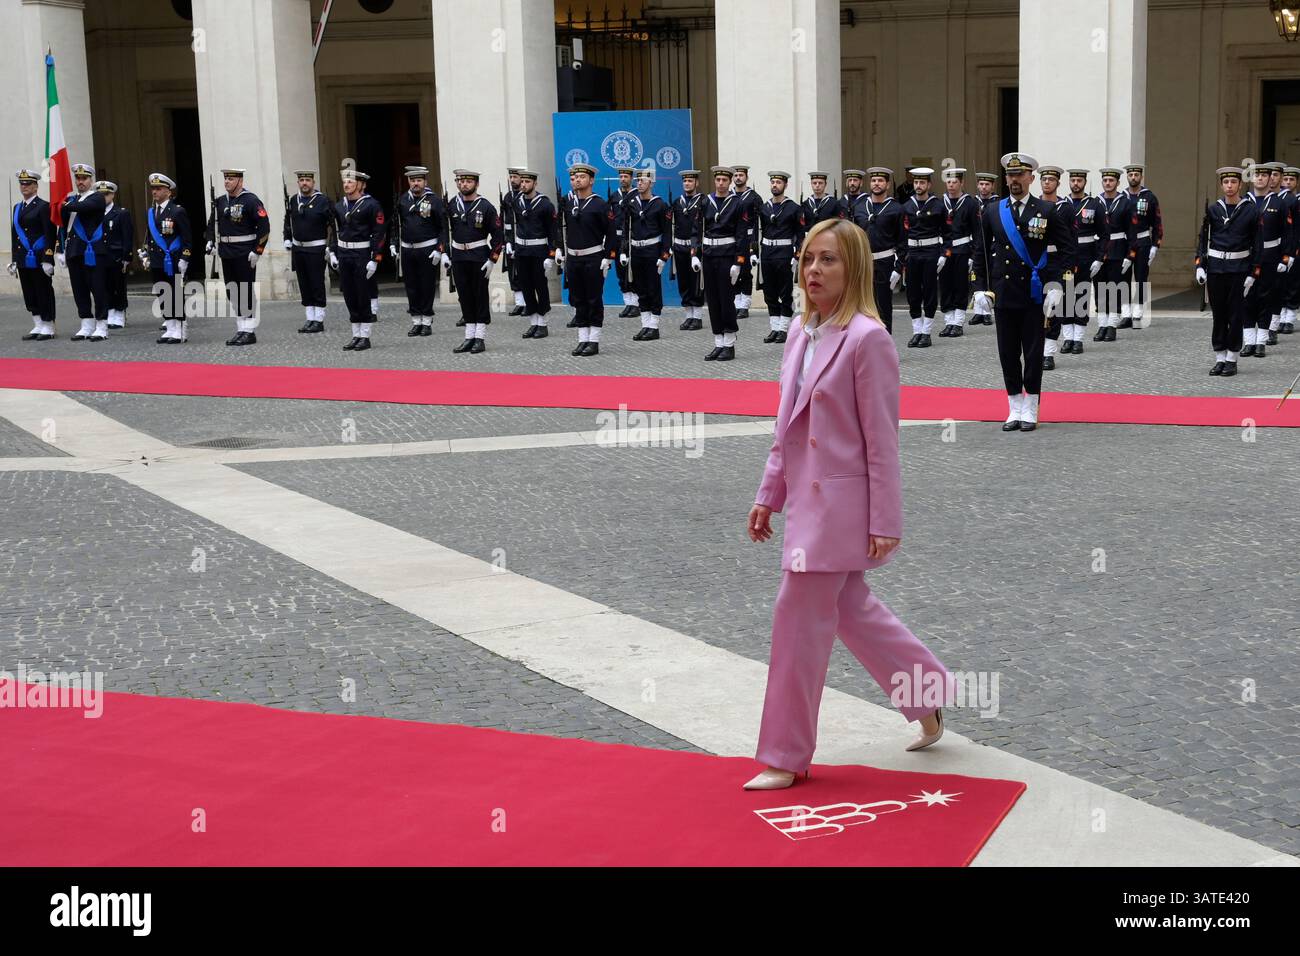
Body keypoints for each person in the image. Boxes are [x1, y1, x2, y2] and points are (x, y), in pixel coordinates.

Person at [744, 217, 953, 791]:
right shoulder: (797, 330)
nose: (813, 269)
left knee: (797, 616)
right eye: (809, 258)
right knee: (852, 610)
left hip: (842, 507)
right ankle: (927, 693)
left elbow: (883, 438)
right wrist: (769, 494)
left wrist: (886, 519)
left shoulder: (868, 339)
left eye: (828, 259)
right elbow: (785, 425)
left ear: (854, 267)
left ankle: (785, 754)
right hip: (806, 505)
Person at [971, 152, 1073, 432]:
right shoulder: (993, 211)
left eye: (1020, 175)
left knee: (1033, 351)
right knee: (1007, 352)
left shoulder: (1047, 211)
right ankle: (1014, 403)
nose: (1015, 180)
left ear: (1030, 178)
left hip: (1034, 292)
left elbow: (1066, 252)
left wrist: (1058, 286)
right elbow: (980, 252)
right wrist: (980, 288)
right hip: (1004, 293)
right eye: (1010, 175)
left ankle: (1031, 405)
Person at [1194, 167, 1259, 377]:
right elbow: (1204, 238)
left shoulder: (1250, 210)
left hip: (1239, 269)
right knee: (1219, 315)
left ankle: (1232, 358)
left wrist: (1252, 273)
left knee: (1235, 315)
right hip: (1215, 269)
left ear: (1240, 184)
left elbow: (1257, 244)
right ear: (1221, 185)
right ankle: (1219, 357)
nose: (1229, 185)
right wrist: (1200, 265)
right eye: (1226, 182)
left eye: (1233, 182)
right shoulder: (1213, 210)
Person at [445, 168, 504, 354]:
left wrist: (492, 259)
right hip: (459, 256)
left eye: (468, 182)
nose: (464, 184)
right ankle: (469, 336)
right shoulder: (452, 204)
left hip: (479, 255)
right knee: (464, 296)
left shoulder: (485, 206)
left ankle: (480, 337)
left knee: (479, 295)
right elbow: (443, 229)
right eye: (461, 181)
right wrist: (445, 252)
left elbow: (498, 235)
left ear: (476, 184)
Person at [558, 162, 614, 356]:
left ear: (591, 180)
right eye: (575, 177)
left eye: (582, 177)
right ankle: (582, 338)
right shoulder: (568, 202)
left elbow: (612, 233)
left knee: (593, 298)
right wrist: (559, 250)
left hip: (593, 257)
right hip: (573, 259)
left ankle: (594, 340)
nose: (577, 180)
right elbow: (561, 227)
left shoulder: (600, 204)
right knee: (578, 298)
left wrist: (608, 257)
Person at [694, 165, 749, 361]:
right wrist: (695, 253)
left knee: (726, 300)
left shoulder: (737, 203)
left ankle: (729, 344)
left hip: (727, 256)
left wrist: (738, 262)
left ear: (730, 181)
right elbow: (697, 229)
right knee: (713, 300)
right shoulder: (705, 202)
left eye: (725, 180)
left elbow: (742, 235)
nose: (721, 183)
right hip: (709, 255)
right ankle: (718, 342)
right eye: (718, 180)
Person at [329, 168, 386, 352]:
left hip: (362, 255)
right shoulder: (339, 206)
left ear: (361, 185)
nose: (347, 185)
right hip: (345, 254)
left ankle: (365, 335)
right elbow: (335, 230)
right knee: (350, 295)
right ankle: (355, 334)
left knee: (362, 295)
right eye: (345, 182)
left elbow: (379, 233)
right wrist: (333, 252)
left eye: (351, 182)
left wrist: (375, 259)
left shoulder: (371, 205)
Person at [1242, 163, 1291, 359]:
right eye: (1257, 175)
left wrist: (1285, 257)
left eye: (1264, 175)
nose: (1261, 178)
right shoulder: (1245, 201)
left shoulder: (1279, 203)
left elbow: (1288, 233)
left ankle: (1261, 340)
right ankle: (1249, 340)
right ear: (1251, 179)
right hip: (1248, 257)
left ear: (1270, 178)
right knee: (1247, 299)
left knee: (1266, 298)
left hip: (1270, 256)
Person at [140, 172, 193, 344]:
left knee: (175, 294)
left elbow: (187, 238)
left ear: (168, 191)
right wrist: (146, 253)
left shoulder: (177, 211)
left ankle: (179, 329)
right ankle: (170, 327)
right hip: (157, 260)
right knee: (162, 293)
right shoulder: (151, 212)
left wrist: (185, 258)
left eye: (159, 189)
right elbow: (150, 237)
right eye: (153, 189)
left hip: (174, 260)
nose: (154, 192)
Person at [900, 166, 950, 347]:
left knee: (929, 292)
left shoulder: (938, 205)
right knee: (913, 293)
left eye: (922, 182)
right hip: (913, 253)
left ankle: (927, 332)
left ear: (929, 184)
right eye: (916, 182)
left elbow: (947, 232)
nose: (918, 185)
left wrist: (945, 254)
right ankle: (917, 331)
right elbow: (901, 234)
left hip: (931, 253)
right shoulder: (906, 206)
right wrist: (902, 256)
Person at [393, 165, 445, 338]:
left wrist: (440, 249)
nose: (416, 183)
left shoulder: (435, 201)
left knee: (426, 286)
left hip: (428, 249)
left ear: (425, 182)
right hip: (408, 249)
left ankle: (427, 320)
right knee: (411, 286)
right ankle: (416, 320)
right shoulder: (403, 200)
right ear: (409, 182)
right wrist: (394, 243)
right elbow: (395, 224)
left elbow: (443, 228)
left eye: (419, 180)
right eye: (413, 180)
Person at [61, 162, 111, 341]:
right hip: (75, 250)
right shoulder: (72, 200)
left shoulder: (97, 197)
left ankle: (102, 324)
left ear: (91, 180)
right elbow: (63, 225)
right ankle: (86, 323)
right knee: (79, 289)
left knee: (97, 288)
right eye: (78, 178)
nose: (80, 181)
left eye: (84, 178)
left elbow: (83, 208)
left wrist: (62, 204)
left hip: (92, 250)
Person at [852, 166, 904, 333]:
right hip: (863, 263)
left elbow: (902, 241)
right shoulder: (859, 207)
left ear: (887, 185)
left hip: (885, 262)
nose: (876, 184)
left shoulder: (896, 209)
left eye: (880, 181)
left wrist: (898, 267)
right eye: (874, 180)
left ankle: (884, 347)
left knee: (883, 306)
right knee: (862, 306)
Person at [284, 169, 336, 334]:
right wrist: (286, 237)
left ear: (313, 182)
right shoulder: (293, 200)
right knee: (304, 283)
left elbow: (334, 225)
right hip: (298, 248)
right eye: (301, 180)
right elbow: (288, 220)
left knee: (316, 283)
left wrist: (331, 247)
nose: (304, 183)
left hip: (316, 248)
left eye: (307, 180)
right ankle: (309, 318)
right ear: (298, 183)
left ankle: (319, 319)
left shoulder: (323, 201)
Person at [624, 168, 672, 341]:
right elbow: (626, 228)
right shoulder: (632, 203)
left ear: (651, 183)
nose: (639, 183)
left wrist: (664, 255)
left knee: (653, 288)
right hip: (637, 250)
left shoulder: (660, 205)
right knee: (640, 287)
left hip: (653, 250)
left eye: (643, 180)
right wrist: (624, 251)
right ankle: (645, 324)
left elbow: (667, 232)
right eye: (638, 181)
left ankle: (654, 326)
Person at [9, 168, 57, 341]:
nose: (24, 187)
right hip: (23, 258)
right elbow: (14, 236)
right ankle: (37, 323)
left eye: (28, 183)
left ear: (36, 186)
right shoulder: (17, 208)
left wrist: (48, 258)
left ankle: (48, 325)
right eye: (22, 184)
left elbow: (50, 233)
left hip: (38, 257)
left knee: (43, 290)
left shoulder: (44, 207)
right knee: (29, 292)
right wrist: (14, 259)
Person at [757, 169, 804, 343]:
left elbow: (801, 236)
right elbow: (759, 232)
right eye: (773, 182)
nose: (775, 185)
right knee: (769, 292)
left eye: (778, 182)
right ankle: (774, 327)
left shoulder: (794, 208)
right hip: (767, 253)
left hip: (784, 254)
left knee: (786, 292)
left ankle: (784, 328)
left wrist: (797, 255)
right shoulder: (764, 208)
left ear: (785, 185)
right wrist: (756, 252)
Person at [512, 170, 559, 339]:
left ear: (535, 183)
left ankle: (543, 323)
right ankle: (533, 322)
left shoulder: (545, 204)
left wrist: (551, 255)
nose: (523, 184)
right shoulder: (517, 202)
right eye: (522, 181)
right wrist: (511, 244)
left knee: (540, 286)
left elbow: (553, 231)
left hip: (539, 251)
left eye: (527, 182)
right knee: (526, 287)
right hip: (522, 251)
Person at [1036, 165, 1074, 369]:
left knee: (1054, 308)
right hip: (1035, 264)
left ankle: (1048, 353)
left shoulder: (1065, 208)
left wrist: (1068, 271)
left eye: (1051, 179)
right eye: (1044, 179)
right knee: (1035, 309)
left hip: (1057, 262)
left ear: (1058, 183)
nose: (1047, 182)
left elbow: (1071, 242)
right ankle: (1036, 350)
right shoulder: (1032, 206)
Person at [1063, 168, 1105, 353]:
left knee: (1081, 296)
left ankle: (1078, 339)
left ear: (1085, 182)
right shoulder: (1062, 204)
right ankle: (1067, 338)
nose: (1076, 183)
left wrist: (1099, 259)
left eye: (1079, 180)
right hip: (1064, 257)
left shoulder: (1095, 205)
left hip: (1086, 256)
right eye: (1073, 180)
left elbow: (1105, 234)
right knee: (1065, 296)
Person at [1094, 166, 1136, 341]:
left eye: (1111, 180)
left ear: (1118, 183)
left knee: (1115, 288)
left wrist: (1130, 255)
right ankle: (1102, 324)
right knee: (1099, 289)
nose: (1108, 183)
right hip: (1098, 251)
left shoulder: (1126, 203)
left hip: (1118, 250)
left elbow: (1132, 231)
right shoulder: (1096, 202)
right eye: (1105, 180)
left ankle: (1112, 325)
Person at [937, 167, 978, 337]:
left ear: (962, 183)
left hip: (963, 250)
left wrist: (973, 256)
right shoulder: (940, 203)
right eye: (949, 182)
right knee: (945, 285)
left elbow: (976, 232)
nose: (951, 185)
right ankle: (949, 322)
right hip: (945, 250)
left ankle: (959, 322)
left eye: (955, 182)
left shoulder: (970, 203)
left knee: (960, 286)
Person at [1122, 163, 1162, 328]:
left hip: (1143, 241)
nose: (1133, 178)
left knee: (1141, 276)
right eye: (1130, 175)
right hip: (1124, 242)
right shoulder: (1121, 197)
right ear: (1127, 177)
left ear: (1141, 177)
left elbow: (1157, 222)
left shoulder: (1149, 197)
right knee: (1123, 277)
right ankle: (1125, 313)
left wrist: (1155, 245)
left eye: (1136, 175)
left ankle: (1138, 310)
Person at [671, 170, 705, 331]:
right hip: (679, 246)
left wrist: (697, 248)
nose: (687, 184)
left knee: (695, 281)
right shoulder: (678, 202)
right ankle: (688, 315)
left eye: (690, 181)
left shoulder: (703, 201)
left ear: (697, 183)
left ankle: (697, 316)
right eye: (685, 181)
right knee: (683, 281)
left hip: (695, 247)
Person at [98, 181, 133, 330]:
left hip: (116, 255)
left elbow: (127, 236)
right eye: (100, 195)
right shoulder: (95, 213)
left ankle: (119, 312)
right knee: (104, 285)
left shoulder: (121, 213)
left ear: (112, 194)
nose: (104, 197)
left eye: (106, 194)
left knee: (118, 285)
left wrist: (127, 256)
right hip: (101, 255)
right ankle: (110, 311)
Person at [969, 172, 1000, 325]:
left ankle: (988, 312)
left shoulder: (997, 203)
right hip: (976, 245)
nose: (984, 187)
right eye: (981, 184)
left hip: (992, 245)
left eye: (987, 184)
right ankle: (978, 311)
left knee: (990, 277)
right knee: (976, 277)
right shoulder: (973, 203)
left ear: (992, 186)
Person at [731, 164, 761, 318]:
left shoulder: (754, 197)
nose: (738, 178)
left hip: (748, 239)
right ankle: (736, 302)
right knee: (733, 271)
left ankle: (745, 304)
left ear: (746, 177)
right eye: (735, 175)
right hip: (732, 239)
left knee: (745, 271)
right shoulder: (729, 195)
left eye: (741, 175)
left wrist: (754, 246)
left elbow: (758, 224)